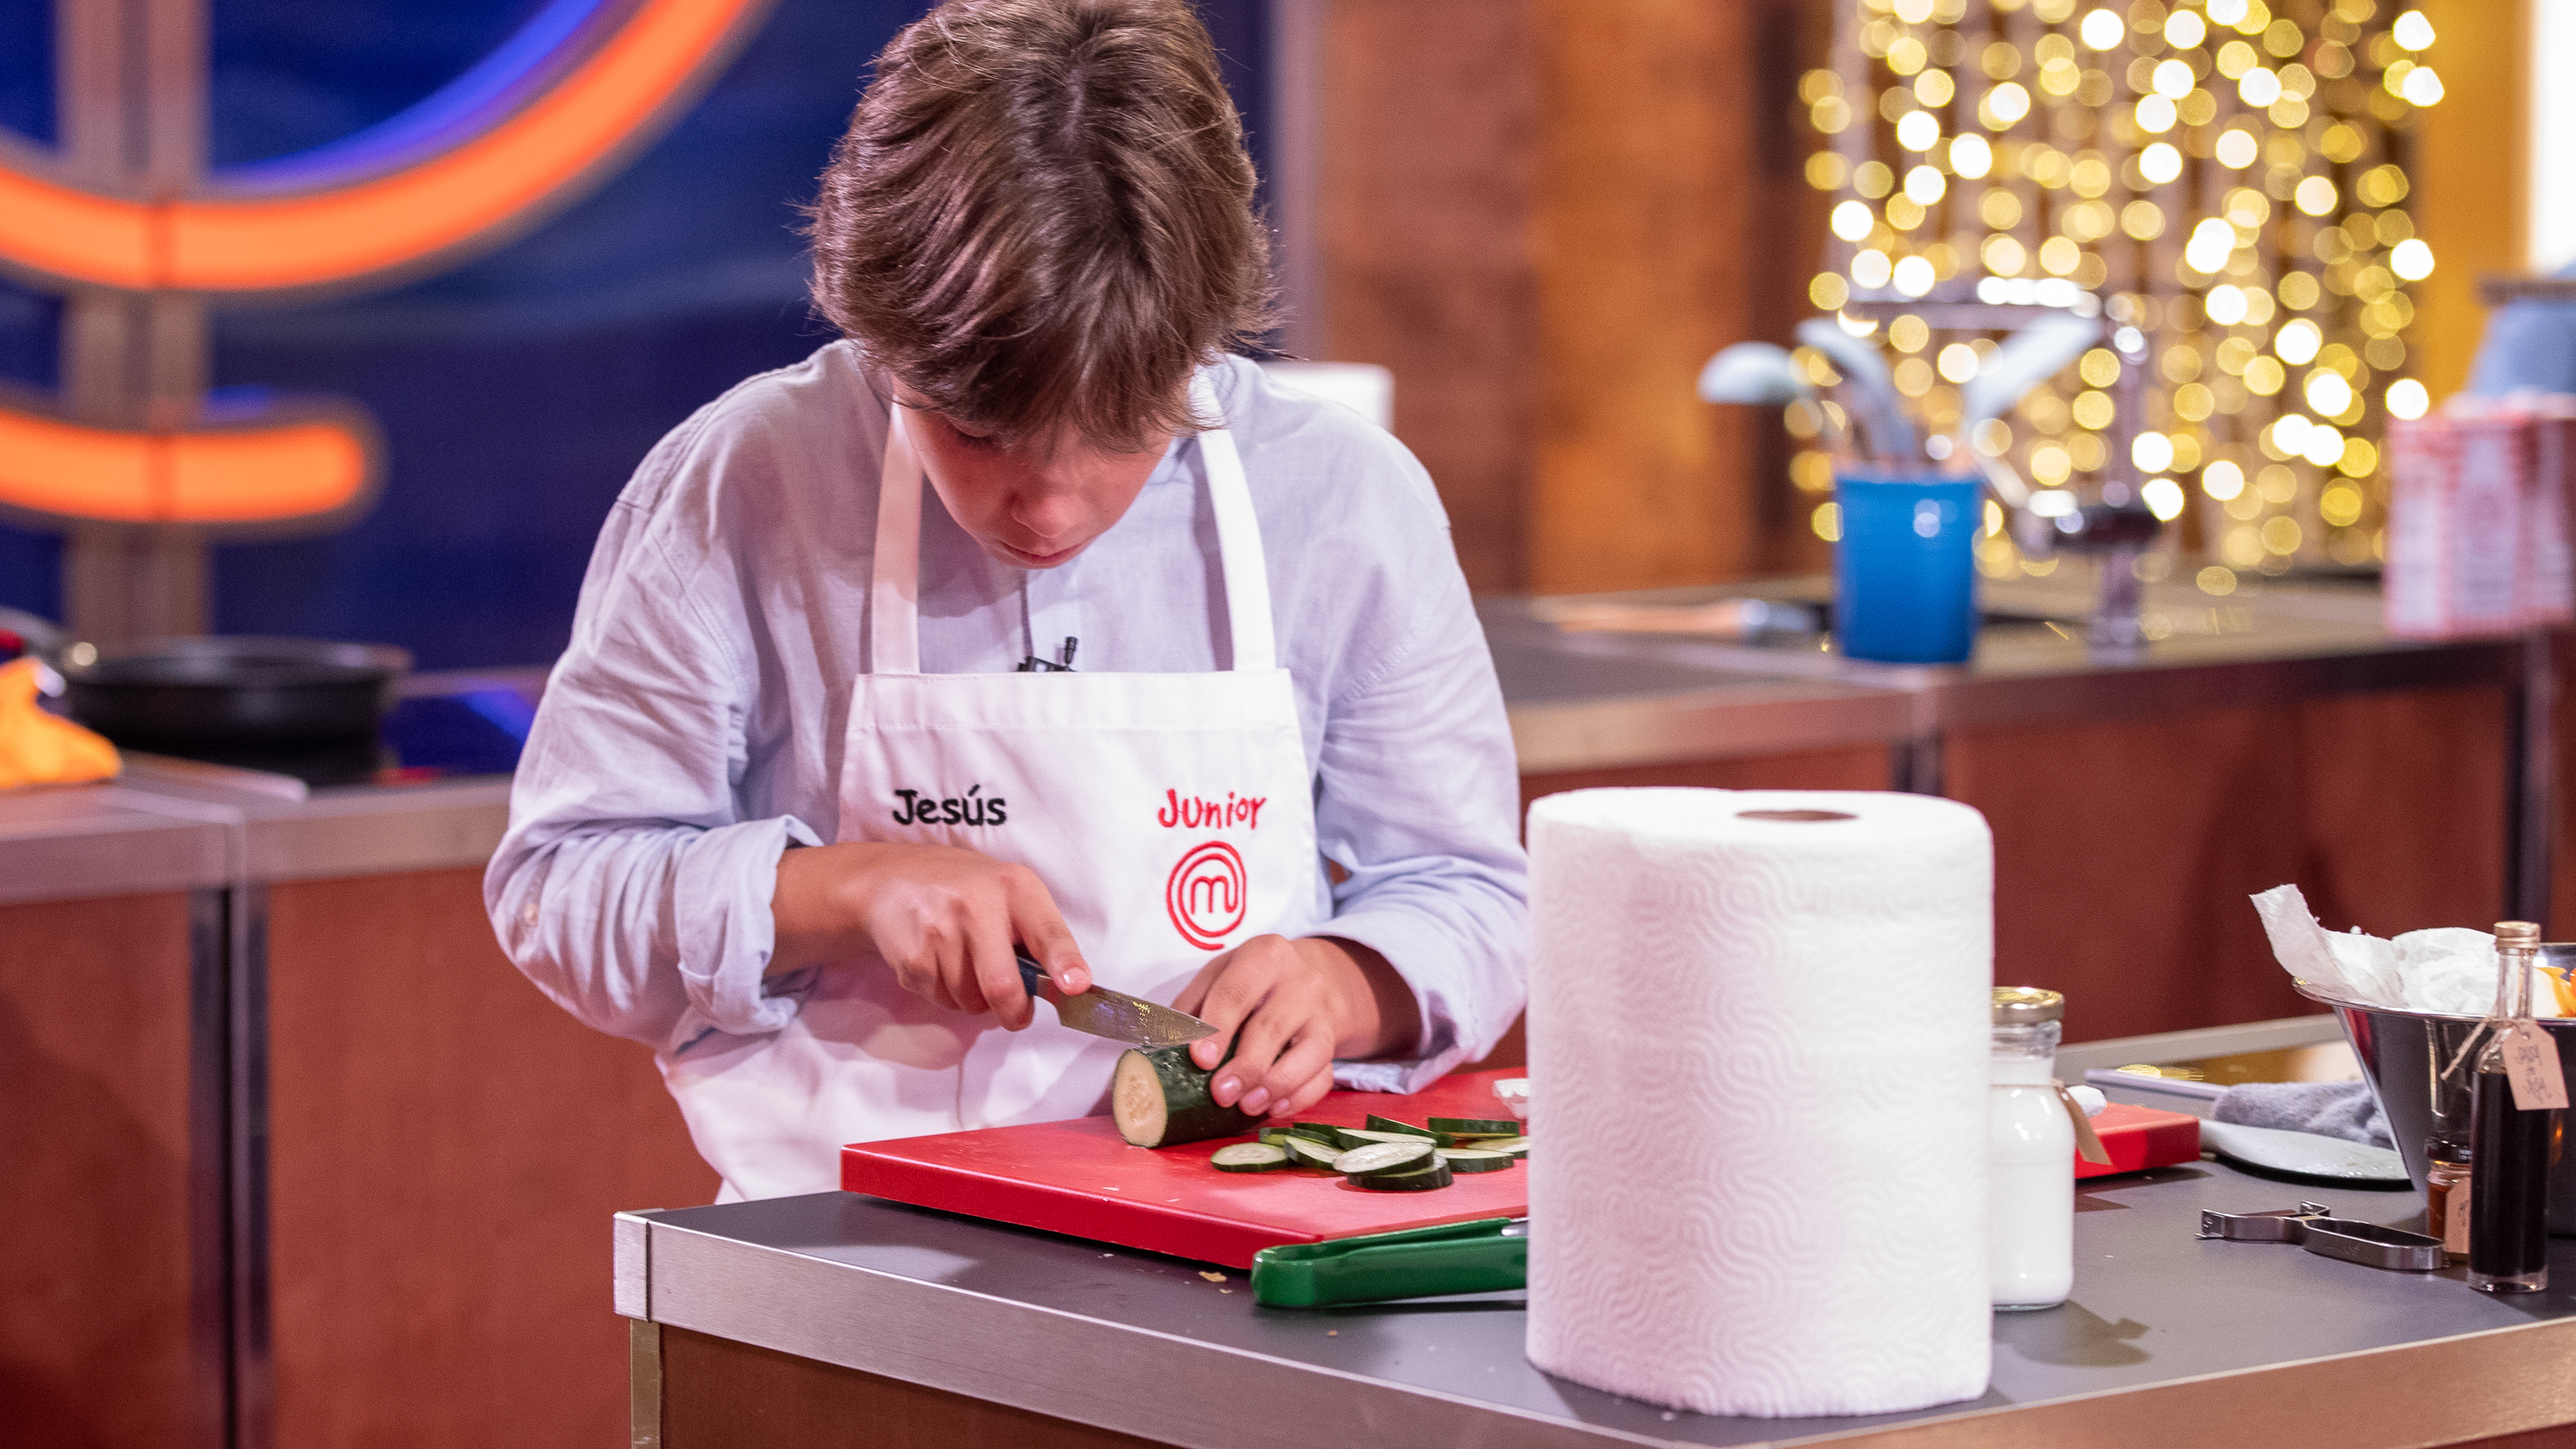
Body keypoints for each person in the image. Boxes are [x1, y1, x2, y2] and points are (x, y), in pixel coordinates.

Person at [484, 0, 1527, 1201]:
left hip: (1238, 1236)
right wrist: (854, 891)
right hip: (839, 1250)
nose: (1051, 512)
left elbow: (1471, 892)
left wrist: (1350, 983)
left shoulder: (1343, 499)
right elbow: (563, 889)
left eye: (1127, 433)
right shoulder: (746, 482)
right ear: (878, 339)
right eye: (978, 434)